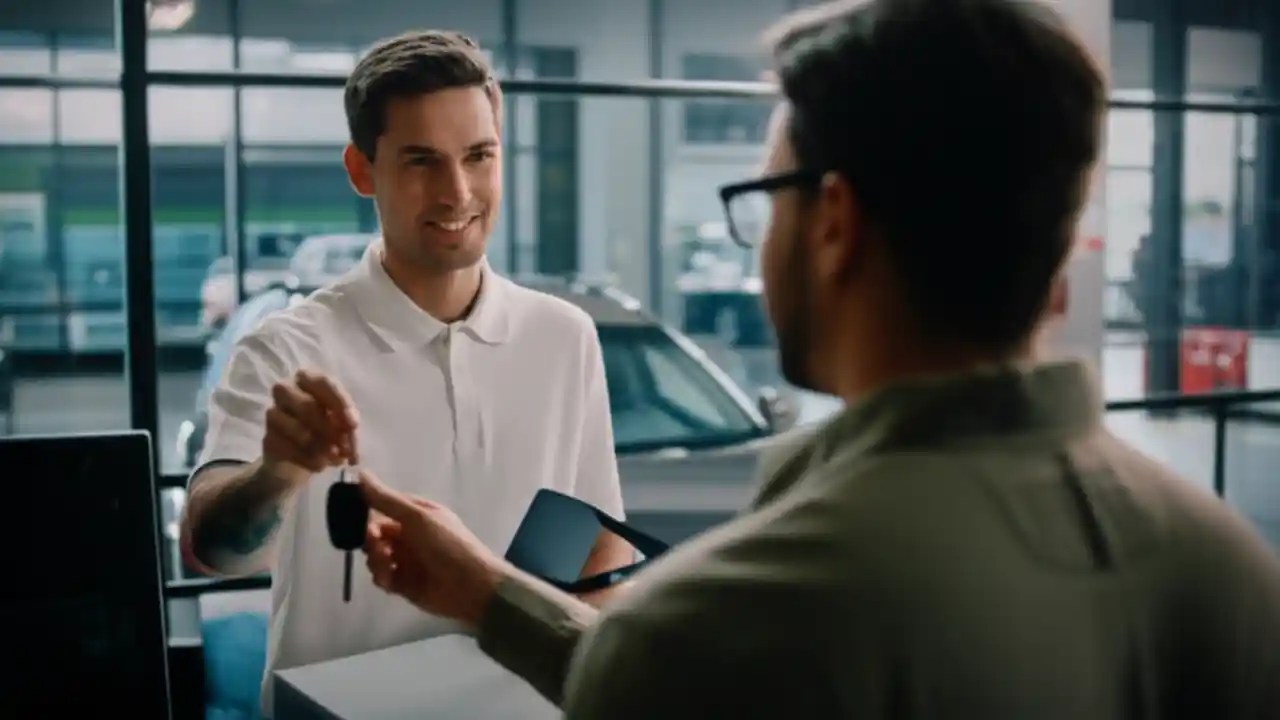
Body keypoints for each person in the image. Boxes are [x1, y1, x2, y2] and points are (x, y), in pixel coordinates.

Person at [354, 1, 1280, 717]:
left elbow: (673, 673)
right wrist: (489, 590)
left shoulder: (722, 620)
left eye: (766, 196)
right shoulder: (1228, 568)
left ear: (832, 220)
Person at [178, 29, 635, 716]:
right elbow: (214, 551)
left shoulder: (563, 337)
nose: (458, 192)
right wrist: (278, 472)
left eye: (479, 156)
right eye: (422, 161)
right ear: (363, 172)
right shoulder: (285, 348)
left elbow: (592, 544)